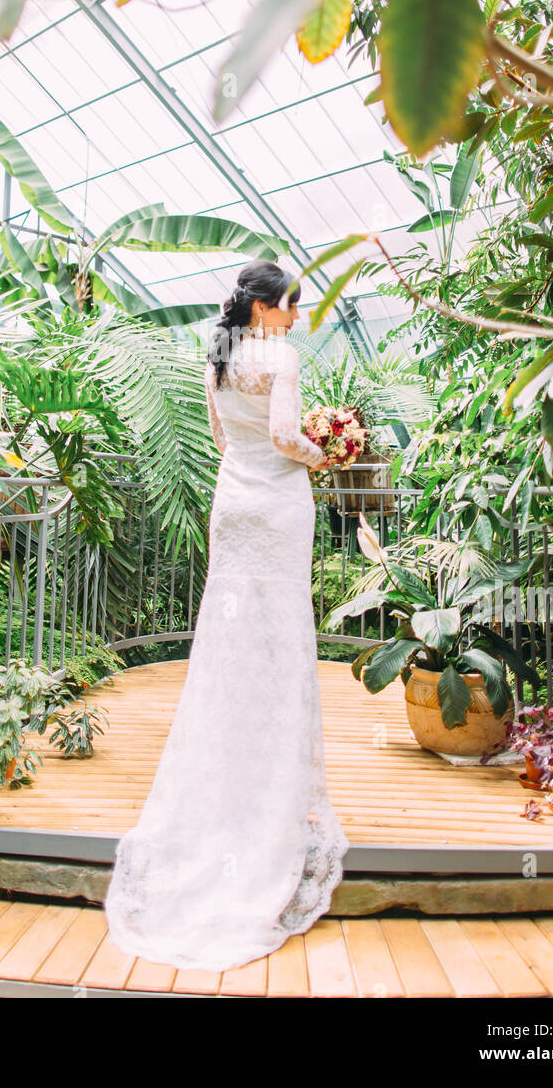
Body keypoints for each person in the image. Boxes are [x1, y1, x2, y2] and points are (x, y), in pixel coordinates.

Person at [104, 260, 348, 970]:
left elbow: (224, 440)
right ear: (268, 305)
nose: (298, 315)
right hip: (276, 509)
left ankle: (227, 768)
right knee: (279, 634)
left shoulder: (216, 356)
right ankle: (267, 779)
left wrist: (285, 451)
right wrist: (325, 453)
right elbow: (282, 436)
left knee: (230, 634)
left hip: (232, 506)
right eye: (293, 303)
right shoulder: (282, 355)